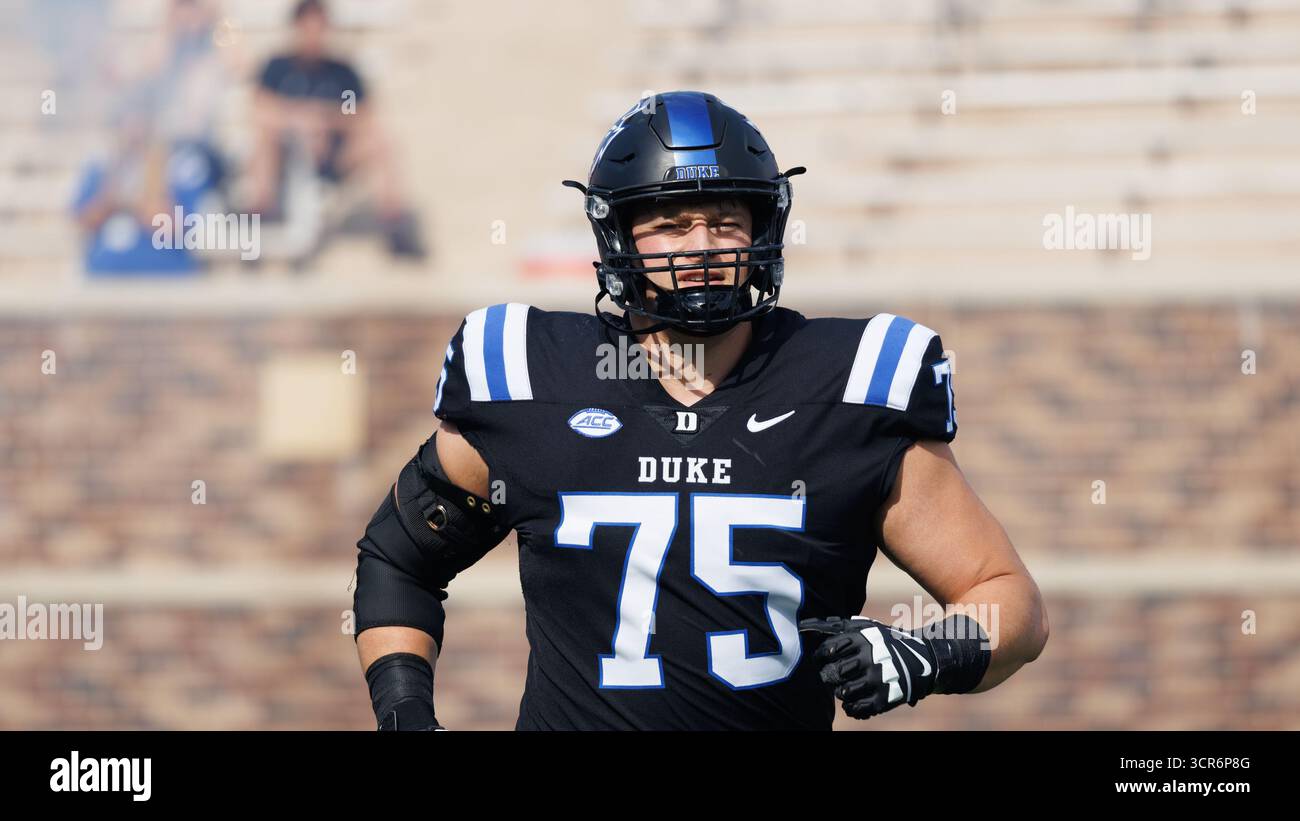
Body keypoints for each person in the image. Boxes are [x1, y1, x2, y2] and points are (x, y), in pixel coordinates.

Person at [352, 92, 1049, 730]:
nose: (703, 247)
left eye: (725, 220)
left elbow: (1009, 599)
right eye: (671, 223)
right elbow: (397, 559)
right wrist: (405, 709)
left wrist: (926, 651)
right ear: (617, 235)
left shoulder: (846, 386)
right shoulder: (534, 377)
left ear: (763, 228)